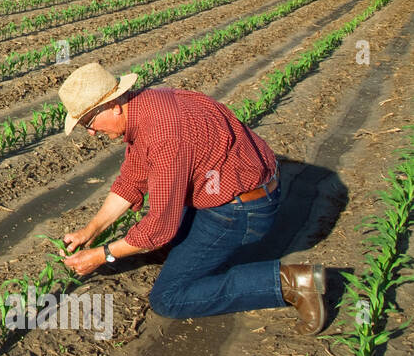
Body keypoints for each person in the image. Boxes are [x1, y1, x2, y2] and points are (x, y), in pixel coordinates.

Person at [55, 62, 326, 335]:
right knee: (165, 241)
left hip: (243, 209)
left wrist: (102, 255)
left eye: (88, 122)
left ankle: (291, 283)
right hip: (228, 188)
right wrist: (91, 230)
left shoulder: (164, 134)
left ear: (113, 104)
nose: (90, 132)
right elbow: (131, 180)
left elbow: (161, 225)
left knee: (169, 297)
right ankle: (178, 251)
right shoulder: (146, 108)